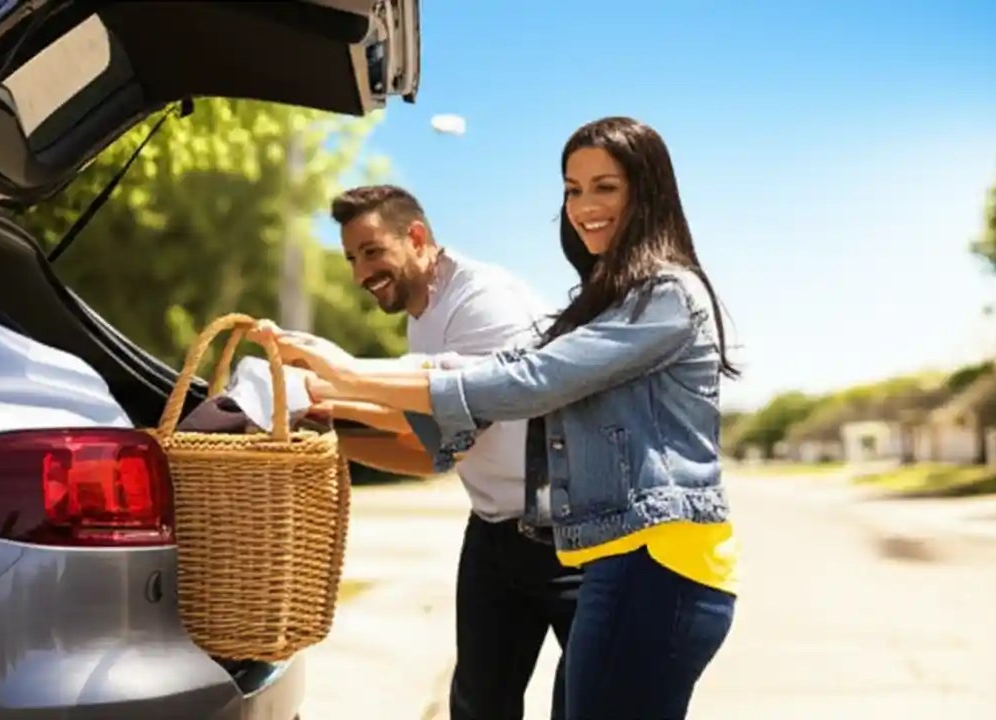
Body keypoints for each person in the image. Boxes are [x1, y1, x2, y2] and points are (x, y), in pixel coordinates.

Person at [260, 117, 741, 719]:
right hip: (611, 557)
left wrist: (349, 373)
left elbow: (528, 382)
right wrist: (338, 415)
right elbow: (489, 396)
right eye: (572, 189)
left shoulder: (665, 297)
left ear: (647, 191)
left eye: (605, 187)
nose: (584, 206)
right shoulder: (605, 302)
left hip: (660, 563)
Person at [309, 185, 581, 720]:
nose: (360, 273)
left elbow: (462, 414)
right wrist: (332, 434)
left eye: (371, 251)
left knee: (585, 705)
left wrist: (335, 382)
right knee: (478, 707)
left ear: (416, 237)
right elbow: (437, 449)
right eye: (351, 259)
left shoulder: (483, 300)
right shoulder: (422, 317)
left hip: (570, 539)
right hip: (494, 535)